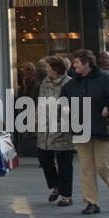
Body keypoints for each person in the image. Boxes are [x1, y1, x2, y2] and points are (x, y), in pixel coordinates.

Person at [64, 49, 109, 214]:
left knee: (103, 166)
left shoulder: (105, 79)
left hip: (101, 128)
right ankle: (92, 202)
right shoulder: (72, 84)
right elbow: (64, 99)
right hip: (80, 129)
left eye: (77, 62)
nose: (74, 65)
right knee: (86, 167)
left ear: (86, 64)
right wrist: (66, 107)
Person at [36, 56, 75, 205]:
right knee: (44, 158)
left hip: (62, 128)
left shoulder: (69, 83)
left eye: (48, 67)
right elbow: (40, 101)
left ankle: (66, 195)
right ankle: (56, 185)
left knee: (64, 162)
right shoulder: (45, 82)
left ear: (56, 69)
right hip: (44, 127)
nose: (46, 69)